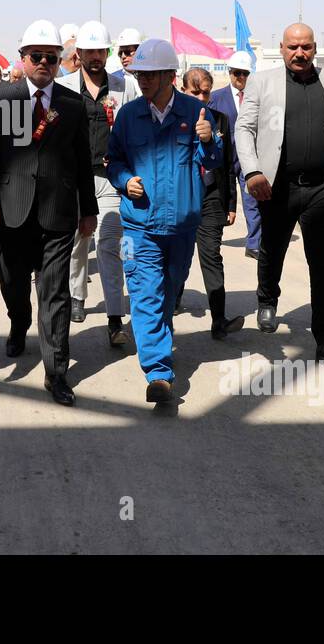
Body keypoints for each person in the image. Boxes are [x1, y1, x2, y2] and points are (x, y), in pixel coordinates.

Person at [0, 20, 97, 406]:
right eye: (36, 56)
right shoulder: (2, 99)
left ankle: (56, 372)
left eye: (51, 56)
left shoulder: (73, 104)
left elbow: (83, 162)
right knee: (12, 281)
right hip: (11, 212)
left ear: (60, 60)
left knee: (55, 293)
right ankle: (18, 322)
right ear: (22, 59)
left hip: (58, 213)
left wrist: (88, 210)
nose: (44, 62)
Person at [235, 23, 324, 369]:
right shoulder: (262, 82)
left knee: (322, 264)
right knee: (272, 249)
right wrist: (253, 171)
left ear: (315, 48)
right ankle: (267, 299)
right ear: (282, 48)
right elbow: (243, 129)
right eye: (293, 47)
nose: (299, 53)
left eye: (306, 47)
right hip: (277, 185)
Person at [107, 39, 221, 402]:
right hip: (139, 226)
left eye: (150, 74)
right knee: (144, 294)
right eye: (139, 74)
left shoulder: (195, 112)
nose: (142, 80)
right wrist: (126, 181)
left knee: (169, 293)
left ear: (170, 75)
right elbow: (114, 162)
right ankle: (158, 372)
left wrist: (209, 141)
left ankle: (160, 342)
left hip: (182, 225)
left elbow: (214, 161)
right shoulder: (128, 115)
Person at [59, 20, 140, 345]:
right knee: (78, 241)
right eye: (88, 51)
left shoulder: (126, 87)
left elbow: (136, 127)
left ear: (106, 53)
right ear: (78, 54)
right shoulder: (63, 87)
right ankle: (77, 295)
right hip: (73, 178)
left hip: (109, 179)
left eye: (99, 51)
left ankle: (114, 316)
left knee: (108, 245)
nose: (94, 56)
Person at [186, 67, 245, 337]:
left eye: (206, 92)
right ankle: (172, 301)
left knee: (211, 256)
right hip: (183, 198)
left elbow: (229, 164)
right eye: (194, 92)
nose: (201, 98)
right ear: (182, 89)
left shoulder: (220, 120)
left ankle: (219, 319)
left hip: (212, 197)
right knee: (179, 259)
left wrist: (231, 203)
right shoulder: (174, 119)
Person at [208, 52, 260, 258]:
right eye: (236, 73)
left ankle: (254, 243)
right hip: (223, 159)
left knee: (252, 200)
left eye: (244, 73)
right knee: (219, 198)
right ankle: (211, 237)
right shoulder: (216, 98)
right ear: (229, 73)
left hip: (248, 158)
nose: (240, 77)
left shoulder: (257, 96)